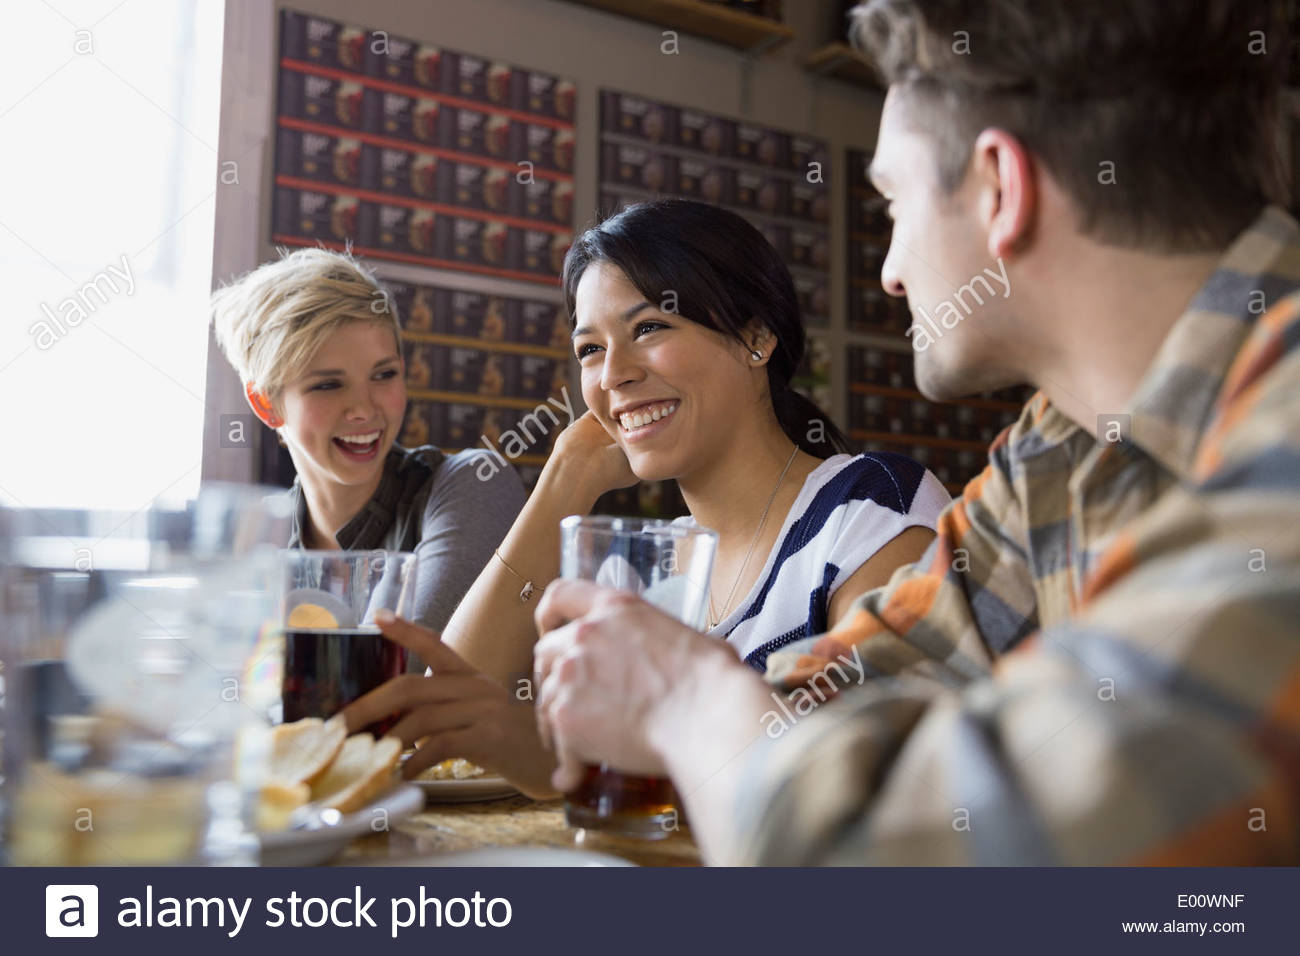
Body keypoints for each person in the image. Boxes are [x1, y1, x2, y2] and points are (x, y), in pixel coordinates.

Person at [527, 0, 1300, 864]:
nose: (890, 274)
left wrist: (682, 696)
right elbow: (869, 673)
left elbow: (917, 866)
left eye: (892, 202)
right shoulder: (1063, 442)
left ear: (1001, 189)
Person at [342, 200, 948, 793]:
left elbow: (858, 781)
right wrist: (562, 485)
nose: (612, 375)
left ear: (756, 337)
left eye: (649, 327)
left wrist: (555, 764)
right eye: (590, 349)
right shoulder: (633, 569)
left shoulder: (870, 508)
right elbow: (445, 725)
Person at [210, 246, 525, 633]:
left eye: (383, 375)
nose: (363, 408)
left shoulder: (475, 483)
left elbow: (405, 676)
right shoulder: (254, 542)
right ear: (265, 404)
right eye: (328, 384)